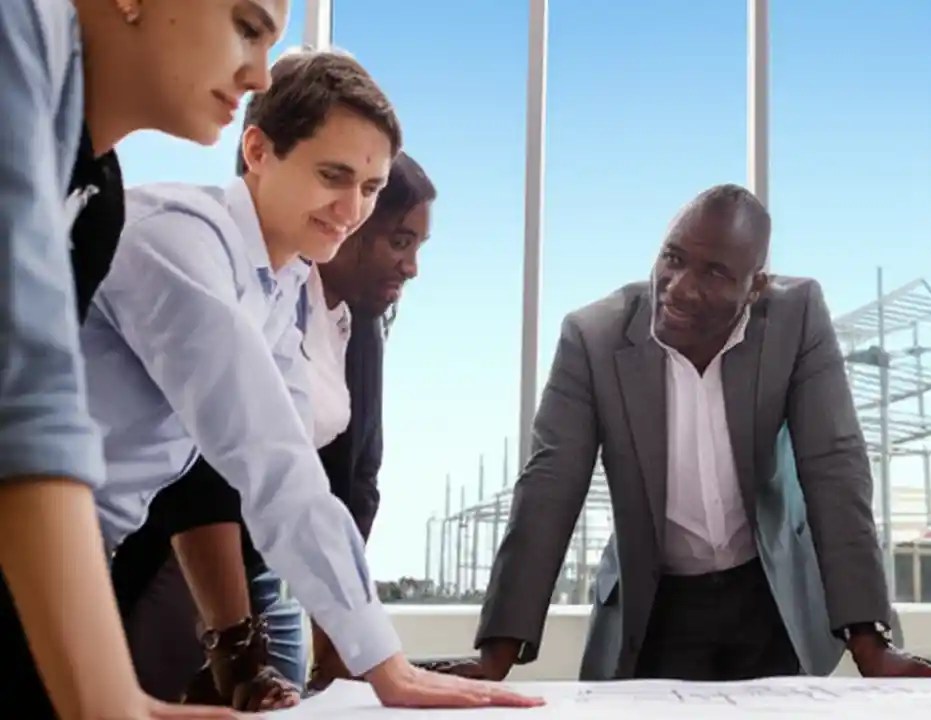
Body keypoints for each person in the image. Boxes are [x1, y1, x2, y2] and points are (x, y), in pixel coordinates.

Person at [81, 49, 540, 711]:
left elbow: (303, 471)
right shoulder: (179, 244)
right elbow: (272, 460)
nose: (353, 208)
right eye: (334, 175)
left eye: (372, 187)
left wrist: (372, 654)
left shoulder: (286, 286)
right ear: (259, 150)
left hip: (87, 552)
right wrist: (387, 667)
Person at [464, 184, 931, 682]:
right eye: (672, 258)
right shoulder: (592, 338)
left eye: (715, 272)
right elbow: (550, 485)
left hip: (769, 597)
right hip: (655, 606)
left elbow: (835, 466)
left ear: (755, 286)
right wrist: (495, 657)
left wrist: (870, 644)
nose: (678, 286)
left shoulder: (795, 315)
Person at [1, 0, 290, 717]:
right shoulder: (16, 28)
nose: (258, 74)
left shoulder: (97, 199)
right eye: (245, 25)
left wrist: (117, 696)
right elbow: (27, 400)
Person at [109, 150, 436, 708]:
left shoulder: (356, 323)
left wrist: (348, 653)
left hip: (269, 560)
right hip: (188, 557)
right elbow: (212, 481)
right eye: (399, 242)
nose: (411, 267)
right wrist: (234, 646)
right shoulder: (232, 274)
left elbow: (354, 484)